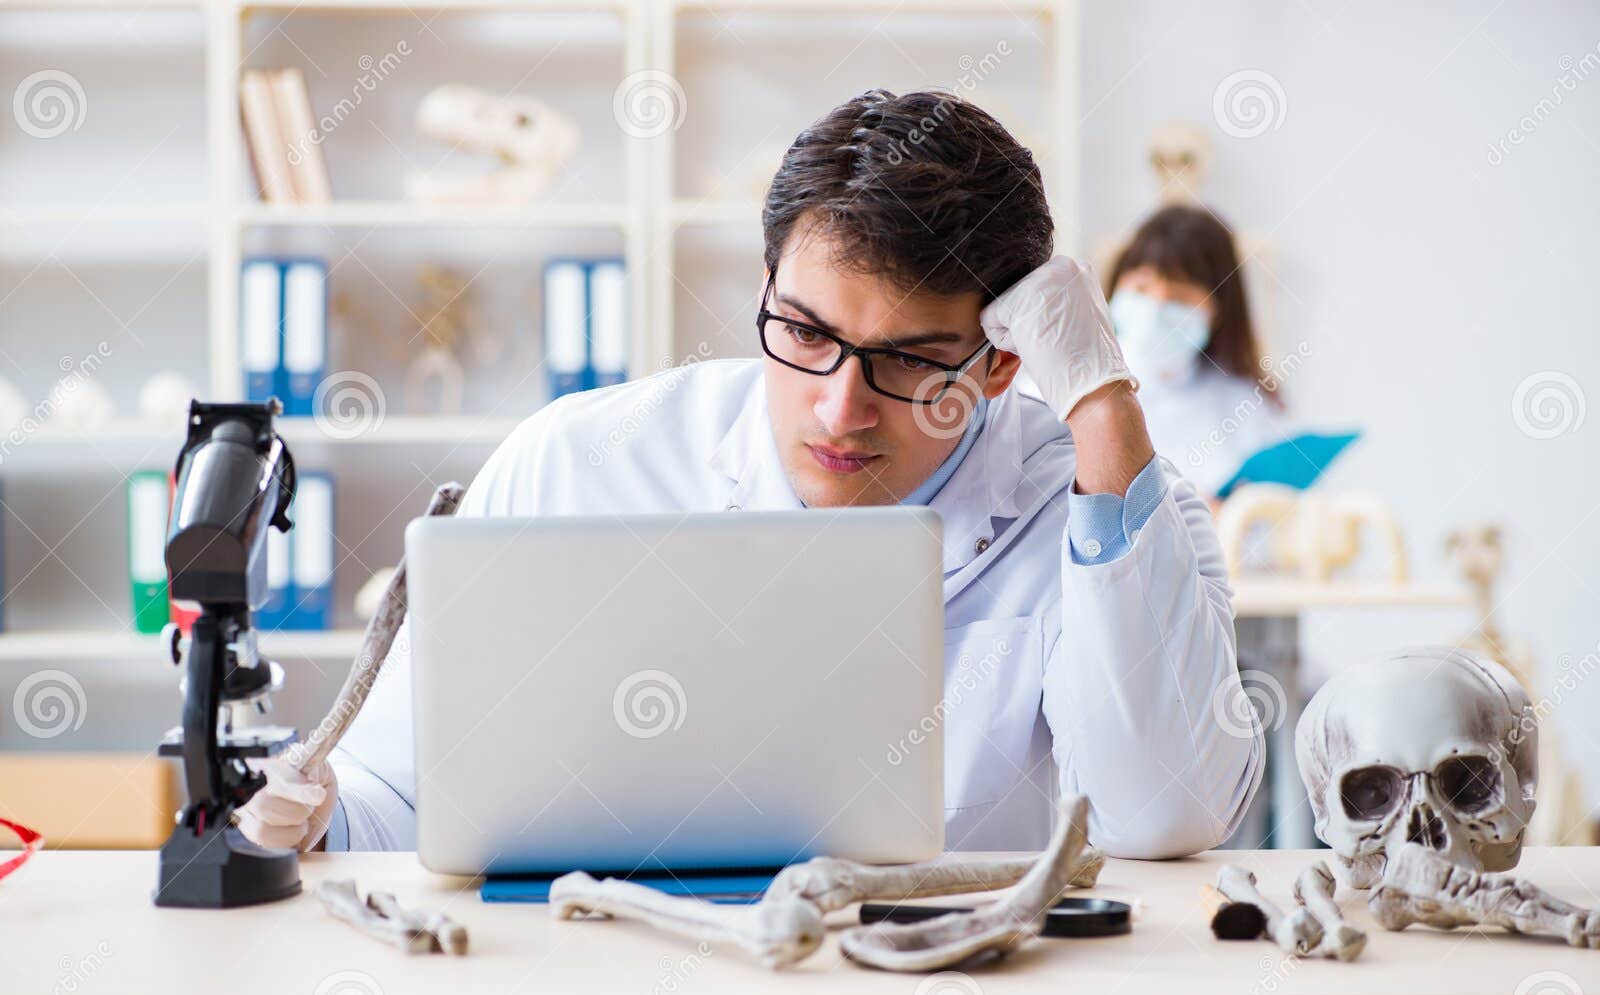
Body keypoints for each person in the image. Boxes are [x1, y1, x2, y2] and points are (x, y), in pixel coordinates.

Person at [239, 90, 1264, 860]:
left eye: (908, 359)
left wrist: (1099, 397)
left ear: (999, 360)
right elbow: (404, 798)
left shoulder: (1118, 509)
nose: (840, 406)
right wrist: (320, 818)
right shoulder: (580, 462)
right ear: (766, 286)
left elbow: (1162, 815)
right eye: (805, 332)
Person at [1105, 205, 1290, 499]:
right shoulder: (1066, 389)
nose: (1155, 309)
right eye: (1141, 288)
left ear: (1219, 309)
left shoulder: (1247, 404)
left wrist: (1226, 515)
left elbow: (1274, 518)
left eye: (1178, 297)